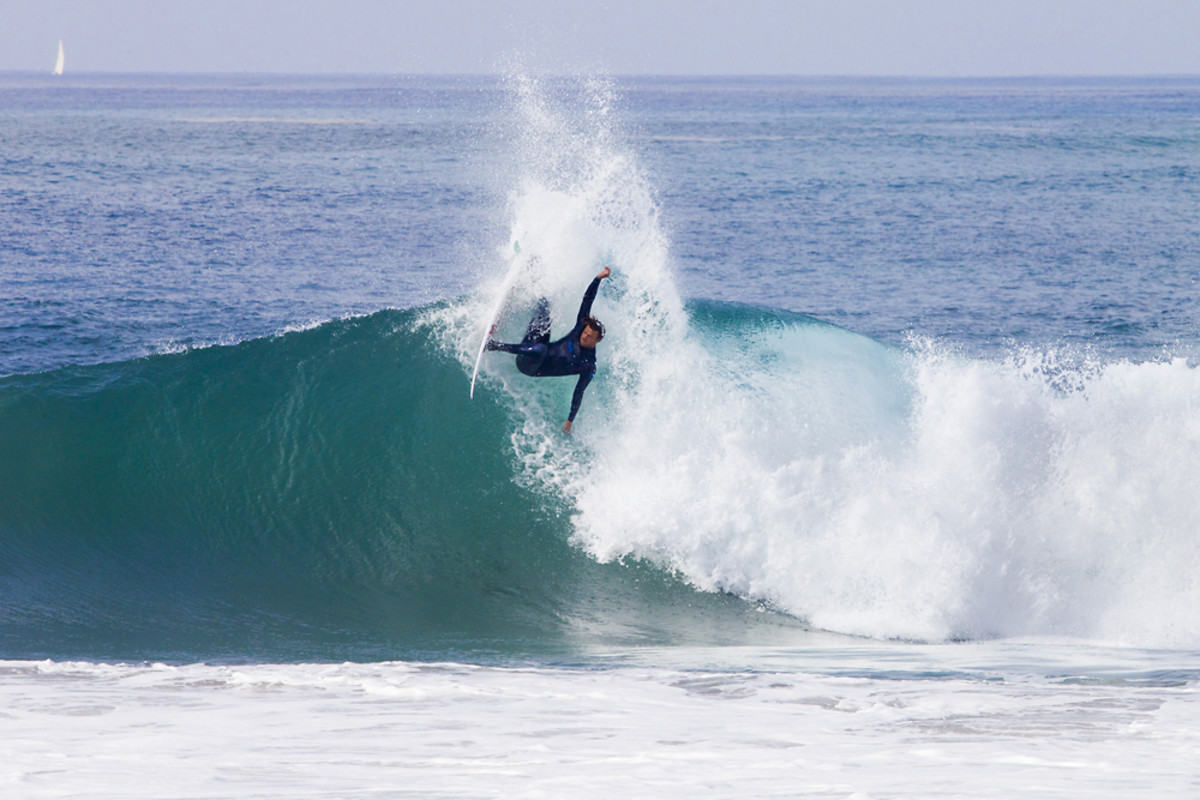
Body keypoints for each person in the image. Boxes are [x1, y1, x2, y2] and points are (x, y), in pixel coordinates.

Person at [486, 267, 611, 433]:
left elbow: (579, 392)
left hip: (530, 366)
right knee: (546, 308)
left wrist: (570, 420)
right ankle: (528, 280)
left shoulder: (588, 365)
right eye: (585, 332)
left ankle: (494, 345)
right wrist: (598, 278)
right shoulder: (581, 328)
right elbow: (587, 300)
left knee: (541, 350)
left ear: (598, 340)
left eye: (589, 337)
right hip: (535, 346)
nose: (584, 336)